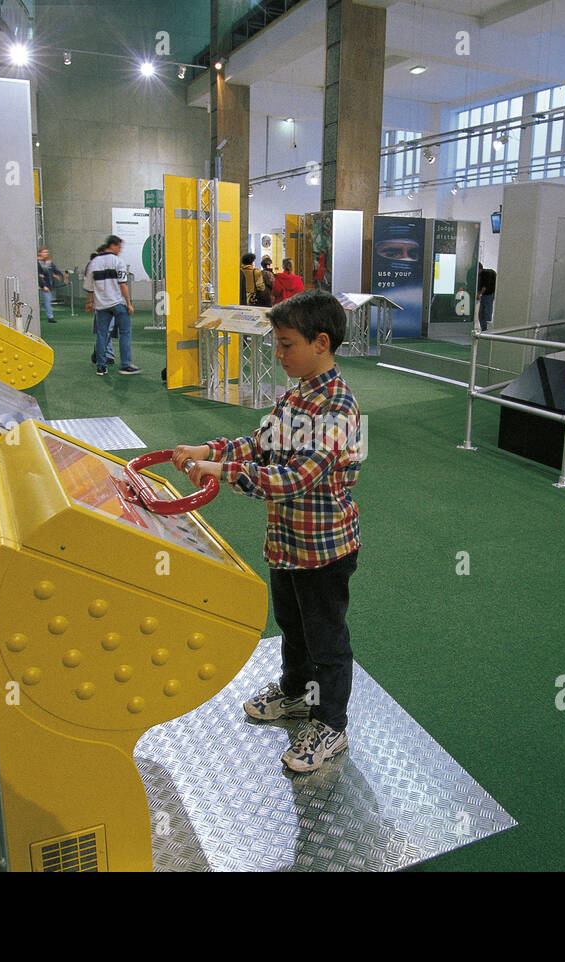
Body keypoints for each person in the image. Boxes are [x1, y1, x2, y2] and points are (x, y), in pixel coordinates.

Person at [172, 291, 362, 773]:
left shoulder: (337, 409)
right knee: (292, 627)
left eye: (285, 344)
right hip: (287, 544)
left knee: (326, 639)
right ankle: (297, 692)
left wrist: (220, 470)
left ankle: (331, 724)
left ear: (321, 342)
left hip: (324, 550)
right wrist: (209, 448)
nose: (278, 355)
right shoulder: (295, 393)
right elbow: (259, 445)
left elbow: (295, 477)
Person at [87, 235, 139, 375]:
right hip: (117, 303)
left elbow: (89, 286)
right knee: (125, 333)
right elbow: (123, 285)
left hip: (101, 305)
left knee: (102, 335)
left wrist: (89, 302)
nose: (120, 250)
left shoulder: (94, 263)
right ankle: (126, 365)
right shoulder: (118, 262)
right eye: (119, 247)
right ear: (113, 245)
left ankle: (101, 366)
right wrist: (129, 303)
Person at [37, 247, 67, 324]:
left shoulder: (49, 262)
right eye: (44, 252)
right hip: (43, 285)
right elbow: (38, 275)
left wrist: (61, 275)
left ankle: (39, 310)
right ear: (40, 253)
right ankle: (50, 317)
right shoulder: (37, 263)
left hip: (49, 285)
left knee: (47, 301)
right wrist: (43, 285)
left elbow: (55, 270)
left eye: (46, 252)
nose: (45, 254)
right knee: (47, 300)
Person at [477, 264, 497, 332]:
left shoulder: (487, 274)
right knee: (481, 314)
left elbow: (485, 287)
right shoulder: (479, 276)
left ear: (480, 269)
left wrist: (479, 294)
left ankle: (487, 330)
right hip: (485, 295)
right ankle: (484, 329)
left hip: (489, 294)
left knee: (487, 312)